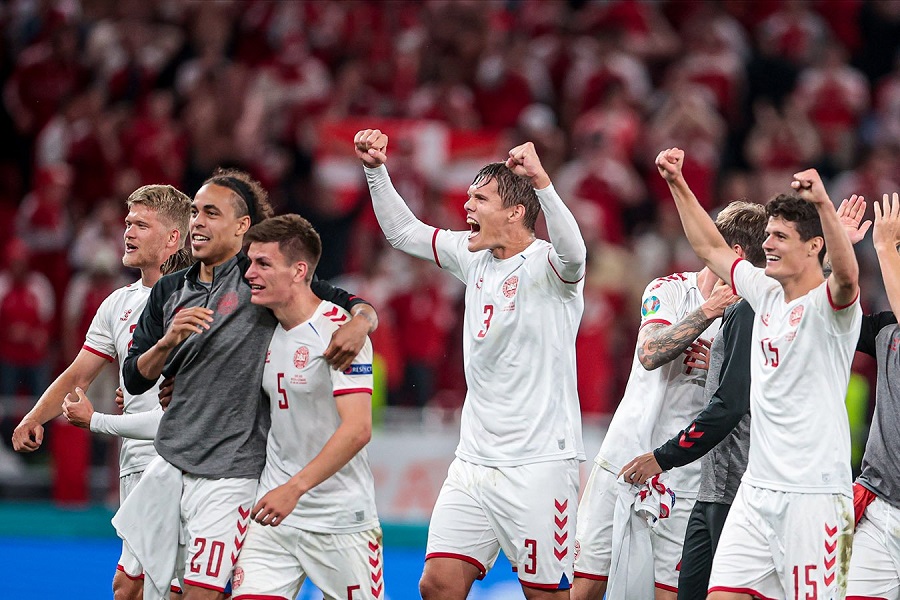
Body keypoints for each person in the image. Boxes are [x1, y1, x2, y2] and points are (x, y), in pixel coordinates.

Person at [120, 169, 377, 600]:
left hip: (236, 473)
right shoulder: (169, 290)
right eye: (194, 212)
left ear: (241, 226)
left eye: (210, 213)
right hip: (171, 461)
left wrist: (362, 322)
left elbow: (337, 299)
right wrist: (169, 348)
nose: (197, 222)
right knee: (129, 588)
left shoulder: (260, 282)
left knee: (199, 593)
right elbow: (133, 377)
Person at [354, 128, 586, 598]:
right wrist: (375, 171)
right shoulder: (472, 255)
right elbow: (404, 232)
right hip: (473, 462)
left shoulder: (551, 268)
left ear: (515, 212)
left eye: (480, 199)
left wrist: (542, 181)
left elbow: (575, 254)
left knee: (546, 594)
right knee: (437, 584)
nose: (467, 206)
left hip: (539, 464)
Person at [619, 195, 871, 600]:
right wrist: (675, 182)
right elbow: (709, 246)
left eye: (780, 236)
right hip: (741, 491)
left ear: (812, 246)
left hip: (798, 494)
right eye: (768, 235)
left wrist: (661, 458)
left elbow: (731, 405)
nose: (769, 244)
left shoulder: (778, 307)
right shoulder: (763, 299)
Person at [572, 202, 766, 600]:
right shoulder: (669, 289)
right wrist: (707, 311)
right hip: (624, 458)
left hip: (688, 475)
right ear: (739, 256)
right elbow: (649, 353)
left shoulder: (755, 316)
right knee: (585, 587)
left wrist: (722, 366)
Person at [11, 184, 192, 600]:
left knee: (163, 589)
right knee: (134, 589)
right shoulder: (117, 303)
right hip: (134, 463)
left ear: (172, 238)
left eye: (141, 225)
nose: (128, 232)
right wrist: (34, 417)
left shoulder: (197, 296)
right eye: (128, 223)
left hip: (179, 462)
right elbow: (78, 374)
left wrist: (99, 419)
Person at [229, 214, 382, 600]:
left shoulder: (341, 333)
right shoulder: (262, 327)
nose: (250, 273)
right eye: (250, 262)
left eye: (263, 264)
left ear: (299, 271)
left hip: (339, 518)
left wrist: (294, 489)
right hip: (273, 514)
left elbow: (358, 429)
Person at [846, 192, 900, 600]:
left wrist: (883, 246)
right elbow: (826, 315)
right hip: (880, 511)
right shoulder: (885, 329)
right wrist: (837, 254)